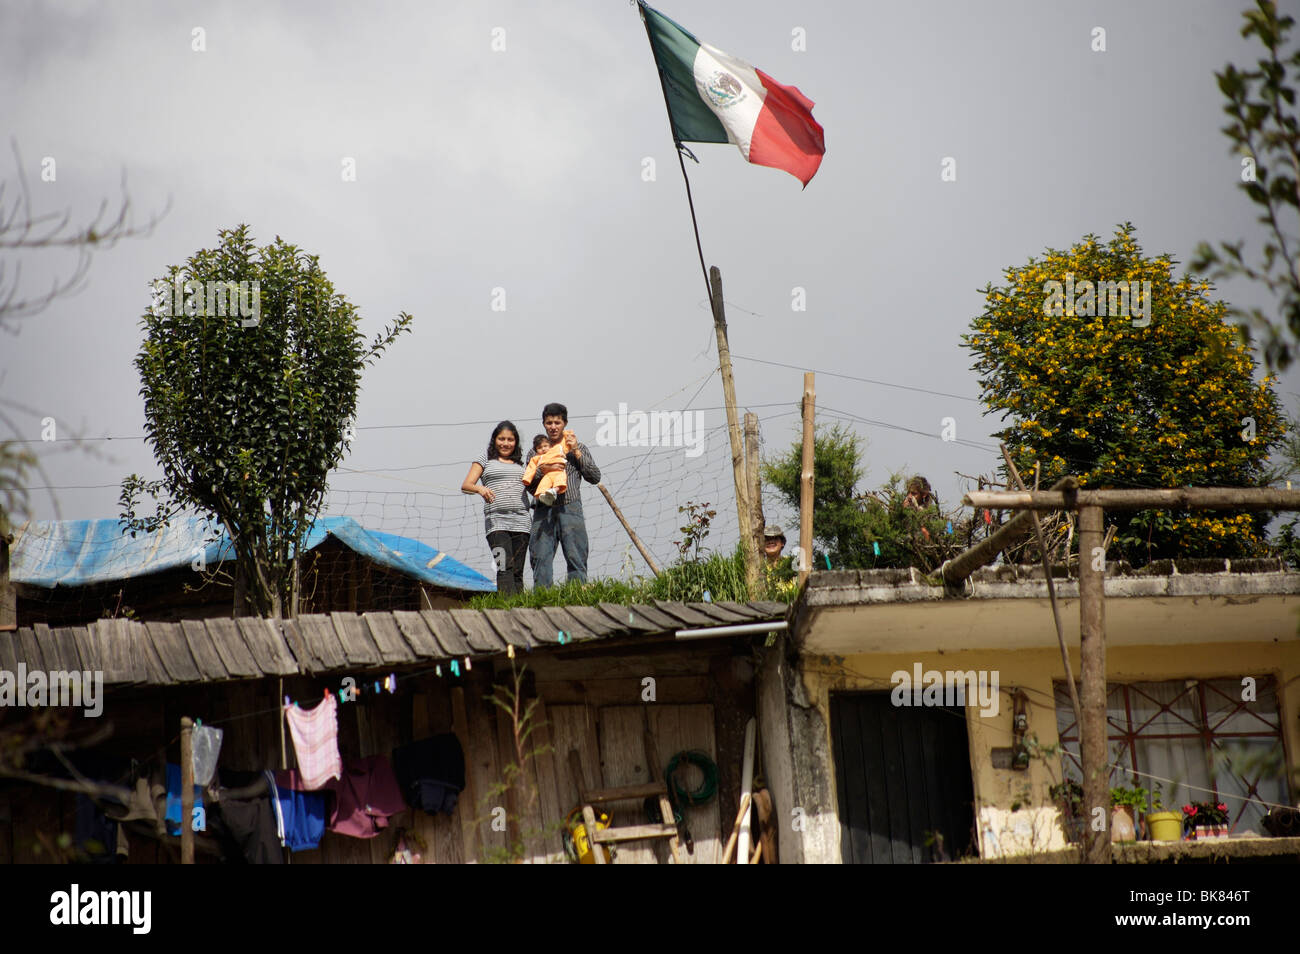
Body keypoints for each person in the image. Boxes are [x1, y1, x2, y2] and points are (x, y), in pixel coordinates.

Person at [529, 402, 600, 587]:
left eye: (557, 422)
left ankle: (576, 599)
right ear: (543, 424)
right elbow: (528, 483)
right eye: (549, 423)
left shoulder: (578, 447)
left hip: (571, 506)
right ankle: (542, 602)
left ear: (565, 423)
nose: (553, 427)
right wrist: (544, 468)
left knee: (576, 557)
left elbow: (594, 476)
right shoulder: (536, 450)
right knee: (540, 558)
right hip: (543, 510)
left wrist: (575, 451)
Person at [460, 421, 531, 595]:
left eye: (510, 440)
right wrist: (480, 488)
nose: (505, 443)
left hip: (522, 523)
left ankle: (520, 609)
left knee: (517, 571)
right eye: (501, 439)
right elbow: (466, 485)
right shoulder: (485, 459)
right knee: (504, 566)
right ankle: (506, 609)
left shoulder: (521, 464)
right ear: (494, 440)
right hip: (496, 524)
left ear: (516, 442)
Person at [522, 433, 568, 506]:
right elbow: (531, 468)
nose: (543, 449)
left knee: (560, 480)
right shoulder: (537, 458)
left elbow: (563, 448)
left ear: (550, 446)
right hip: (547, 475)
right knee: (543, 485)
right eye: (539, 448)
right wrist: (527, 479)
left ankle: (554, 491)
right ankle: (544, 497)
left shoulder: (555, 450)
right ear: (536, 451)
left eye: (545, 446)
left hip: (559, 472)